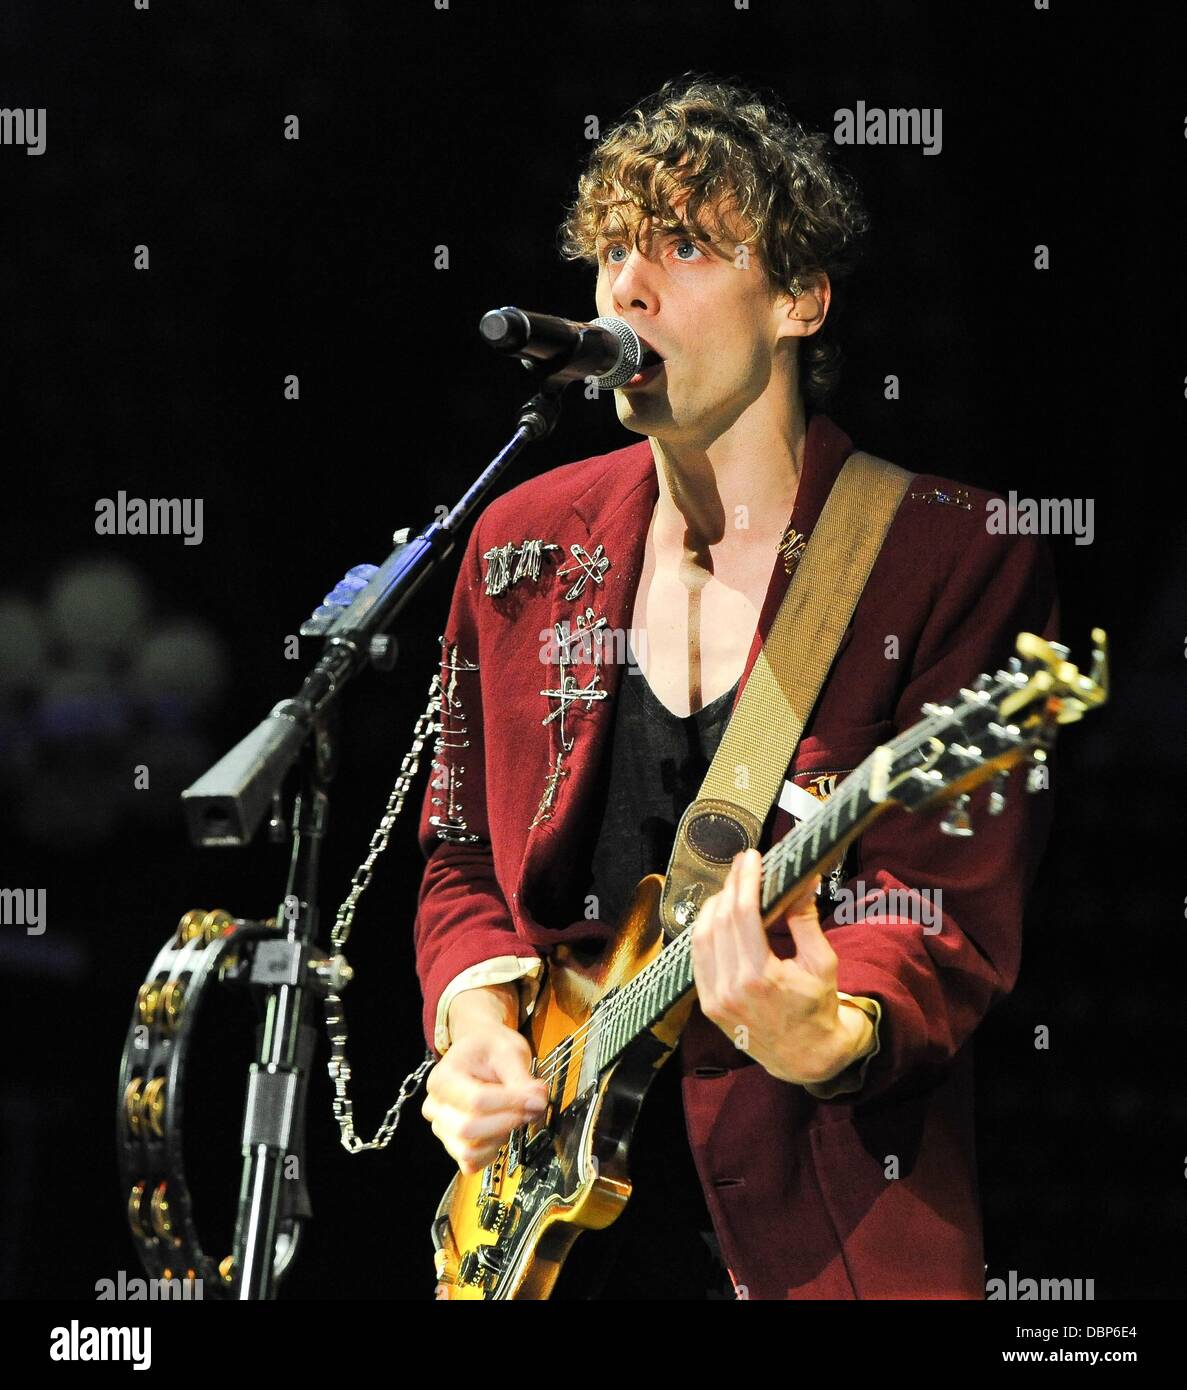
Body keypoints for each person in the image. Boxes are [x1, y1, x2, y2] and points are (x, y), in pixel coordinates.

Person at [414, 73, 1058, 1299]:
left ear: (799, 301)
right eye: (610, 253)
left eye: (686, 249)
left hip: (811, 1221)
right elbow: (457, 859)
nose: (627, 288)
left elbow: (943, 902)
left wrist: (830, 1026)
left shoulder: (946, 551)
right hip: (547, 1240)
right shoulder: (519, 541)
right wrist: (478, 1030)